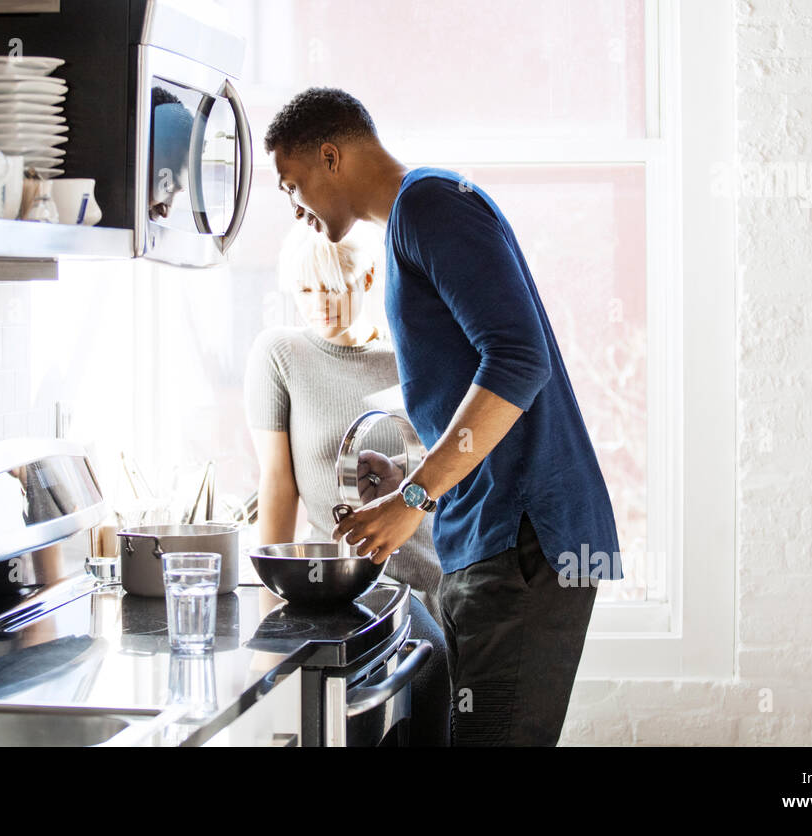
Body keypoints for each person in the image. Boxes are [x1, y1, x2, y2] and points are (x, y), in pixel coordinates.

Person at [263, 87, 624, 747]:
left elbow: (518, 362)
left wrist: (417, 493)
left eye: (293, 185)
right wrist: (407, 468)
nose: (296, 208)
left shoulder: (428, 205)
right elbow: (473, 386)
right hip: (497, 539)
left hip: (523, 542)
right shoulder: (415, 222)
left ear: (331, 156)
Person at [243, 222, 451, 746]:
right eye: (307, 289)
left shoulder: (409, 360)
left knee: (430, 691)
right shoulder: (280, 355)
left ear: (369, 277)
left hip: (429, 580)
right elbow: (277, 480)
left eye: (334, 288)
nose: (320, 304)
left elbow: (444, 475)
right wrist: (272, 602)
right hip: (343, 591)